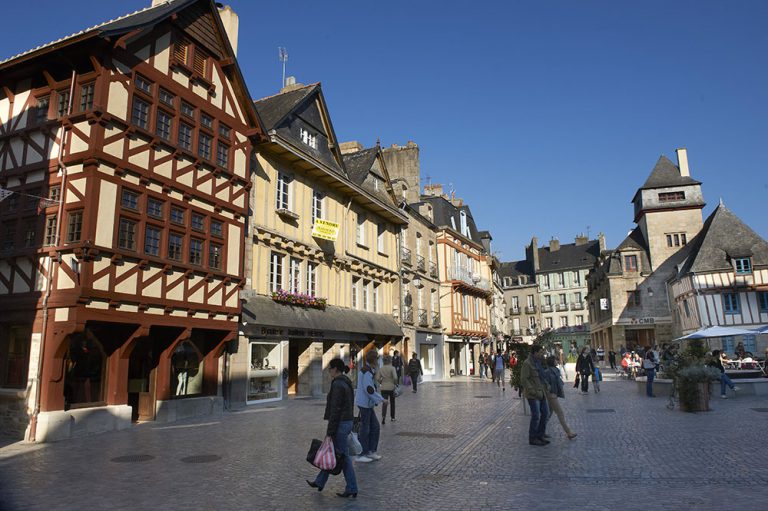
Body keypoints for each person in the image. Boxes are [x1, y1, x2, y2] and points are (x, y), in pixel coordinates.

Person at [307, 358, 358, 498]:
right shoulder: (346, 381)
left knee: (342, 457)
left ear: (335, 369)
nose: (329, 370)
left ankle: (352, 487)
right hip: (347, 421)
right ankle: (320, 481)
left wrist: (330, 432)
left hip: (340, 423)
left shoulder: (337, 384)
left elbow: (335, 409)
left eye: (330, 368)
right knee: (334, 453)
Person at [355, 350, 383, 463]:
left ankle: (371, 451)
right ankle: (362, 453)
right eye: (377, 359)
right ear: (374, 360)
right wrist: (381, 399)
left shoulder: (370, 370)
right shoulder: (366, 372)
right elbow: (369, 389)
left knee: (374, 427)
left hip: (367, 404)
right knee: (365, 429)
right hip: (364, 404)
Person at [543, 355, 577, 439]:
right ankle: (569, 432)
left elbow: (558, 381)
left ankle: (540, 431)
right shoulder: (547, 372)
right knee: (560, 413)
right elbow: (545, 383)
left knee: (548, 414)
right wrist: (549, 390)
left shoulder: (556, 370)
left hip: (554, 394)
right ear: (552, 361)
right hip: (551, 395)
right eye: (555, 360)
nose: (557, 361)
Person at [521, 345, 549, 446]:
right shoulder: (527, 363)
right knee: (536, 415)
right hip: (533, 394)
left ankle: (540, 435)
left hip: (541, 392)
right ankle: (532, 438)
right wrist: (532, 390)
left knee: (545, 413)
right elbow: (524, 379)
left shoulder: (538, 363)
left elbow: (541, 377)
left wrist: (546, 385)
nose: (542, 354)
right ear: (535, 353)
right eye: (540, 352)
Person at [376, 355, 398, 424]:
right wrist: (395, 383)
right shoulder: (392, 368)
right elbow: (395, 378)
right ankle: (392, 417)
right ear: (390, 361)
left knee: (384, 403)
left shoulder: (381, 369)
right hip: (391, 387)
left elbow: (377, 378)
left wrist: (381, 382)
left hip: (383, 388)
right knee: (392, 403)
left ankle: (383, 417)